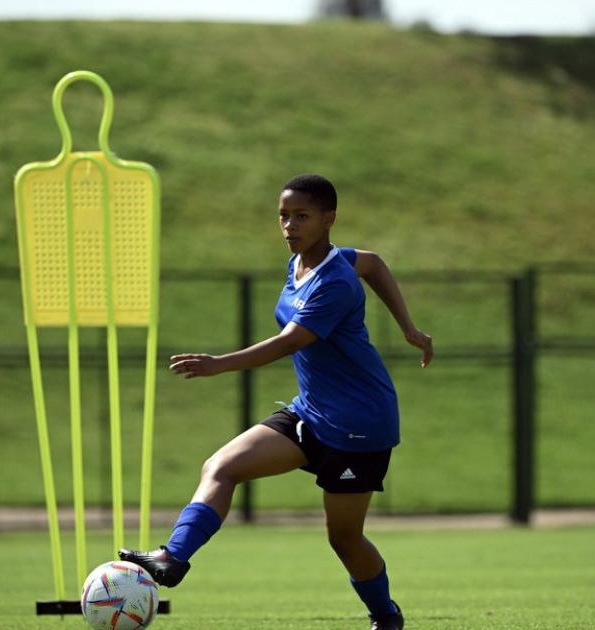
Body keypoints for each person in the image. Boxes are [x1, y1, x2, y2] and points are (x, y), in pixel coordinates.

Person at [118, 173, 433, 630]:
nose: (289, 225)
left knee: (344, 538)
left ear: (329, 219)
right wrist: (408, 327)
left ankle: (386, 617)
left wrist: (219, 363)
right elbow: (376, 263)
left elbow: (290, 342)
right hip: (311, 412)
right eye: (284, 216)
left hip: (358, 425)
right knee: (221, 467)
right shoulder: (306, 263)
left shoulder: (334, 281)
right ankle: (173, 557)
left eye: (302, 217)